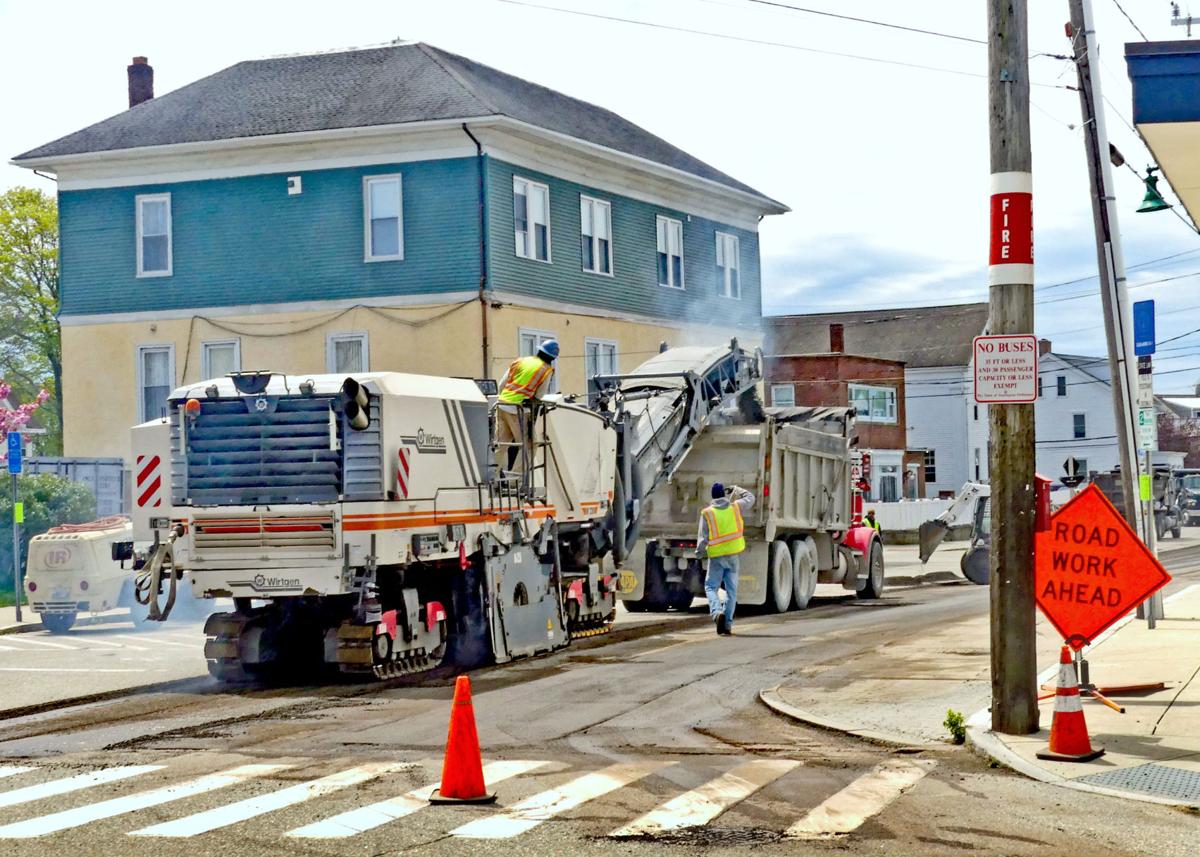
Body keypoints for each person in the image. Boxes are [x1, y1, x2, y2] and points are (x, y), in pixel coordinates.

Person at [697, 482, 755, 636]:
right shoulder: (735, 507)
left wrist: (699, 553)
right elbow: (751, 497)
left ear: (712, 496)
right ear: (724, 494)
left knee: (711, 587)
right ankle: (727, 625)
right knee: (731, 591)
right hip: (733, 556)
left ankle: (717, 613)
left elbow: (703, 539)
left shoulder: (707, 513)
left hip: (716, 557)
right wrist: (737, 489)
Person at [495, 341, 559, 472]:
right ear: (552, 357)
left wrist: (506, 399)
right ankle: (515, 480)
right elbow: (539, 395)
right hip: (517, 410)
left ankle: (490, 476)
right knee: (529, 445)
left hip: (501, 405)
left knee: (500, 445)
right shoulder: (546, 370)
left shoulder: (521, 361)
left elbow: (502, 384)